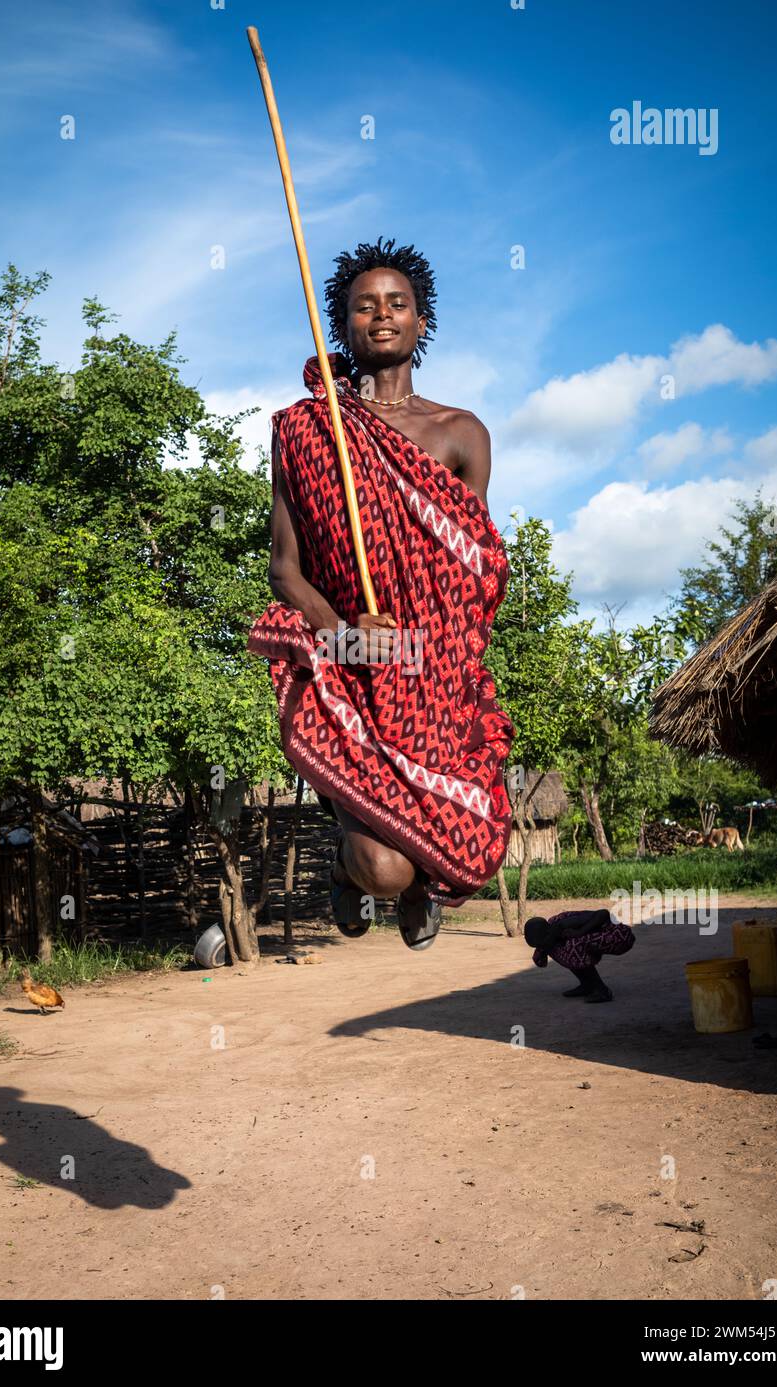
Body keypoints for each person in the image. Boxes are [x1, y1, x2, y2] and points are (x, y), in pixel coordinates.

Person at [247, 237, 515, 950]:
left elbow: (473, 572)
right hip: (346, 664)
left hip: (434, 670)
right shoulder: (307, 430)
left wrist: (426, 646)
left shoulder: (462, 434)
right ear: (341, 326)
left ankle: (424, 881)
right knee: (384, 869)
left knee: (460, 846)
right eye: (364, 306)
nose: (382, 315)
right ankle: (350, 867)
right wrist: (345, 635)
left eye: (397, 303)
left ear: (422, 322)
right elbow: (284, 569)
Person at [523, 908, 636, 1003]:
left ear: (548, 933)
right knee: (560, 948)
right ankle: (587, 985)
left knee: (573, 947)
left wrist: (580, 932)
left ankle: (602, 990)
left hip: (620, 936)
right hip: (598, 937)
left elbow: (603, 914)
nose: (542, 946)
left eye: (542, 942)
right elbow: (541, 957)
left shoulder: (562, 924)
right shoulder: (550, 937)